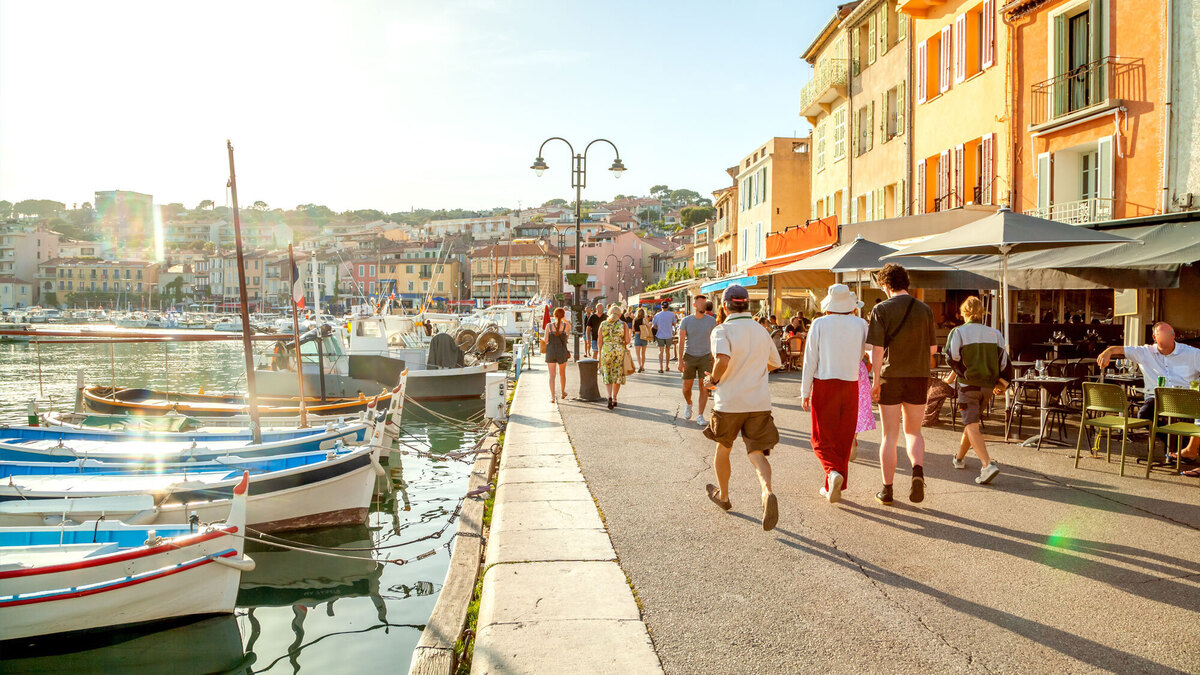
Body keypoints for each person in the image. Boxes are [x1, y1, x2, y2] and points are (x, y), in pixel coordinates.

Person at [702, 285, 783, 531]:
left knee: (723, 448)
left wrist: (712, 380)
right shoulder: (761, 330)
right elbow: (775, 362)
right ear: (748, 304)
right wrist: (753, 372)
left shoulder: (722, 330)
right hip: (758, 401)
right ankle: (767, 491)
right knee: (757, 452)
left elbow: (722, 359)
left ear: (724, 306)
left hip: (729, 401)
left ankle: (724, 496)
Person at [866, 263, 937, 506]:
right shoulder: (924, 309)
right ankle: (917, 471)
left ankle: (887, 490)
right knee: (913, 432)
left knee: (889, 435)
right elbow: (933, 349)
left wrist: (875, 381)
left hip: (891, 376)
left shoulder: (881, 309)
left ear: (886, 285)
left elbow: (877, 350)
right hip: (918, 376)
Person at [1097, 322, 1200, 469]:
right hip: (1156, 398)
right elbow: (1118, 349)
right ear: (1154, 337)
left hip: (1185, 398)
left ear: (1174, 336)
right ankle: (1178, 445)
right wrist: (1107, 352)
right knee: (1144, 414)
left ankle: (1188, 449)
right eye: (1161, 335)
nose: (1166, 338)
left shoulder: (1191, 353)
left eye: (1169, 335)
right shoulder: (1145, 352)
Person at [801, 284, 869, 504]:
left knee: (820, 438)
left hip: (825, 383)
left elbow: (810, 359)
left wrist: (805, 391)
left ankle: (831, 472)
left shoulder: (820, 323)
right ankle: (831, 482)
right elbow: (869, 351)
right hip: (851, 384)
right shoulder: (861, 324)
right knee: (843, 437)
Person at [945, 296, 1012, 485]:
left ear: (963, 312)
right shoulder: (995, 333)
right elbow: (1004, 363)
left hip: (968, 385)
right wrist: (1001, 384)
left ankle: (987, 464)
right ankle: (959, 458)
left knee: (971, 424)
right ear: (982, 312)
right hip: (988, 386)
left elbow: (951, 357)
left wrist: (960, 373)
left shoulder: (958, 332)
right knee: (971, 423)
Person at [677, 294, 718, 426]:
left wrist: (714, 358)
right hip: (689, 356)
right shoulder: (686, 321)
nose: (703, 306)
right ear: (694, 305)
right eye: (700, 303)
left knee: (704, 387)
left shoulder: (711, 321)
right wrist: (680, 360)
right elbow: (681, 341)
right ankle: (689, 403)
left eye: (704, 303)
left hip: (705, 357)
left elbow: (715, 340)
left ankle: (700, 415)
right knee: (686, 387)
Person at [597, 303, 631, 409]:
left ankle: (609, 396)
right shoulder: (623, 324)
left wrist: (599, 354)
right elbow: (627, 340)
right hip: (619, 351)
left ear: (609, 313)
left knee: (607, 374)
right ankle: (615, 397)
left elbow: (599, 341)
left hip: (606, 350)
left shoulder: (603, 324)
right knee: (617, 374)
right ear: (619, 314)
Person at [541, 307, 571, 403]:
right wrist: (563, 319)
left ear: (554, 315)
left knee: (552, 375)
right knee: (562, 373)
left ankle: (552, 397)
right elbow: (566, 339)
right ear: (563, 316)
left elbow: (546, 340)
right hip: (562, 351)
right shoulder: (566, 326)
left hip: (551, 351)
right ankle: (562, 392)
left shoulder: (549, 326)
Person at [651, 300, 678, 373]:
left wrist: (660, 327)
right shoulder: (672, 314)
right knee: (667, 351)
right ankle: (667, 366)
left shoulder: (657, 315)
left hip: (660, 335)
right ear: (668, 307)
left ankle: (661, 367)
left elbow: (654, 326)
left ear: (661, 306)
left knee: (661, 351)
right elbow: (674, 324)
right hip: (669, 335)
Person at [632, 307, 650, 373]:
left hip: (637, 335)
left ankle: (639, 365)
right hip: (644, 336)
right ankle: (642, 366)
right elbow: (648, 326)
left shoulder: (634, 320)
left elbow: (633, 329)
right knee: (643, 353)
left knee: (637, 354)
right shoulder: (644, 320)